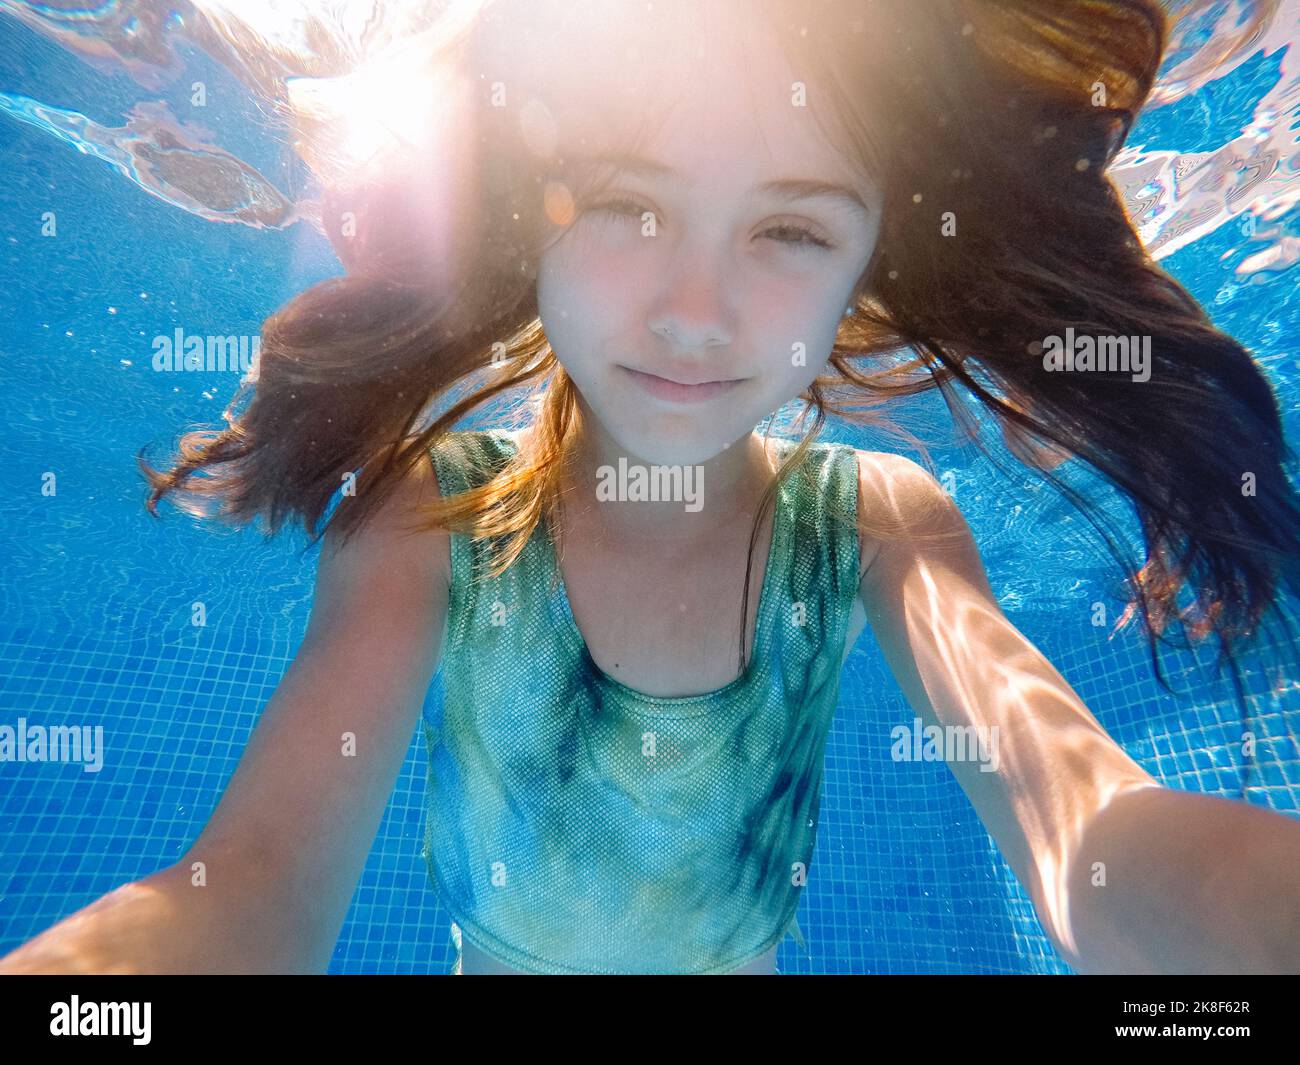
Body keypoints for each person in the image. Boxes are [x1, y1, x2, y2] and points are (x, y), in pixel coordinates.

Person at [3, 0, 1299, 975]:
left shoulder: (872, 519)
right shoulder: (428, 512)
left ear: (867, 264)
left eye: (789, 229)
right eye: (626, 205)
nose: (696, 313)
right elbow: (254, 889)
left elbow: (1084, 827)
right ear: (530, 221)